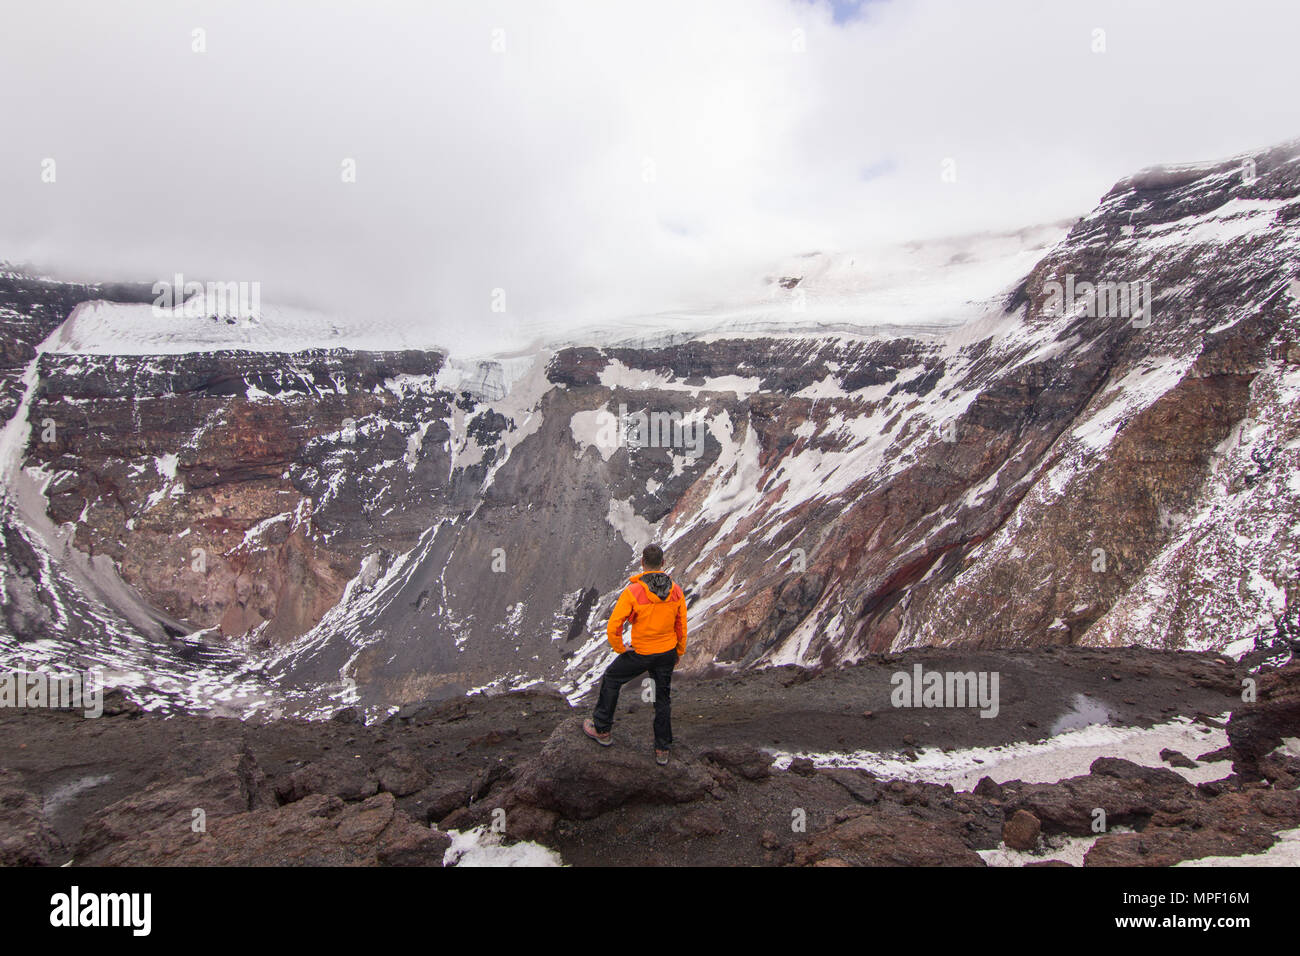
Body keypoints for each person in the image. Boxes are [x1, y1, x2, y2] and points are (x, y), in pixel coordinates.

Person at [583, 544, 687, 765]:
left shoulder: (634, 591)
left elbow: (614, 625)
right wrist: (678, 651)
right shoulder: (676, 591)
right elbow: (681, 625)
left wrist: (621, 648)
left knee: (612, 678)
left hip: (641, 651)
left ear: (642, 563)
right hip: (666, 651)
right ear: (663, 563)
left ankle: (602, 729)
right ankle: (662, 748)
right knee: (662, 698)